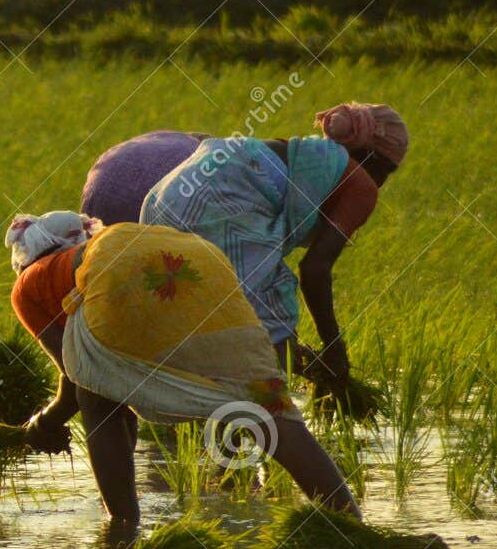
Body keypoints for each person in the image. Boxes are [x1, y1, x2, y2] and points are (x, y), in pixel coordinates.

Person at [7, 211, 358, 526]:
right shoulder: (96, 247)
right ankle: (351, 523)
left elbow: (75, 376)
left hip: (119, 270)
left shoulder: (28, 283)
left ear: (28, 257)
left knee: (94, 395)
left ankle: (122, 529)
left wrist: (44, 424)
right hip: (198, 260)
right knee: (268, 407)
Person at [138, 103, 407, 387]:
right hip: (217, 205)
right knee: (269, 320)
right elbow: (315, 269)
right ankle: (268, 416)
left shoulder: (302, 155)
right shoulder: (361, 186)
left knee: (209, 323)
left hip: (165, 200)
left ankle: (228, 418)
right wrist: (334, 348)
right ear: (378, 163)